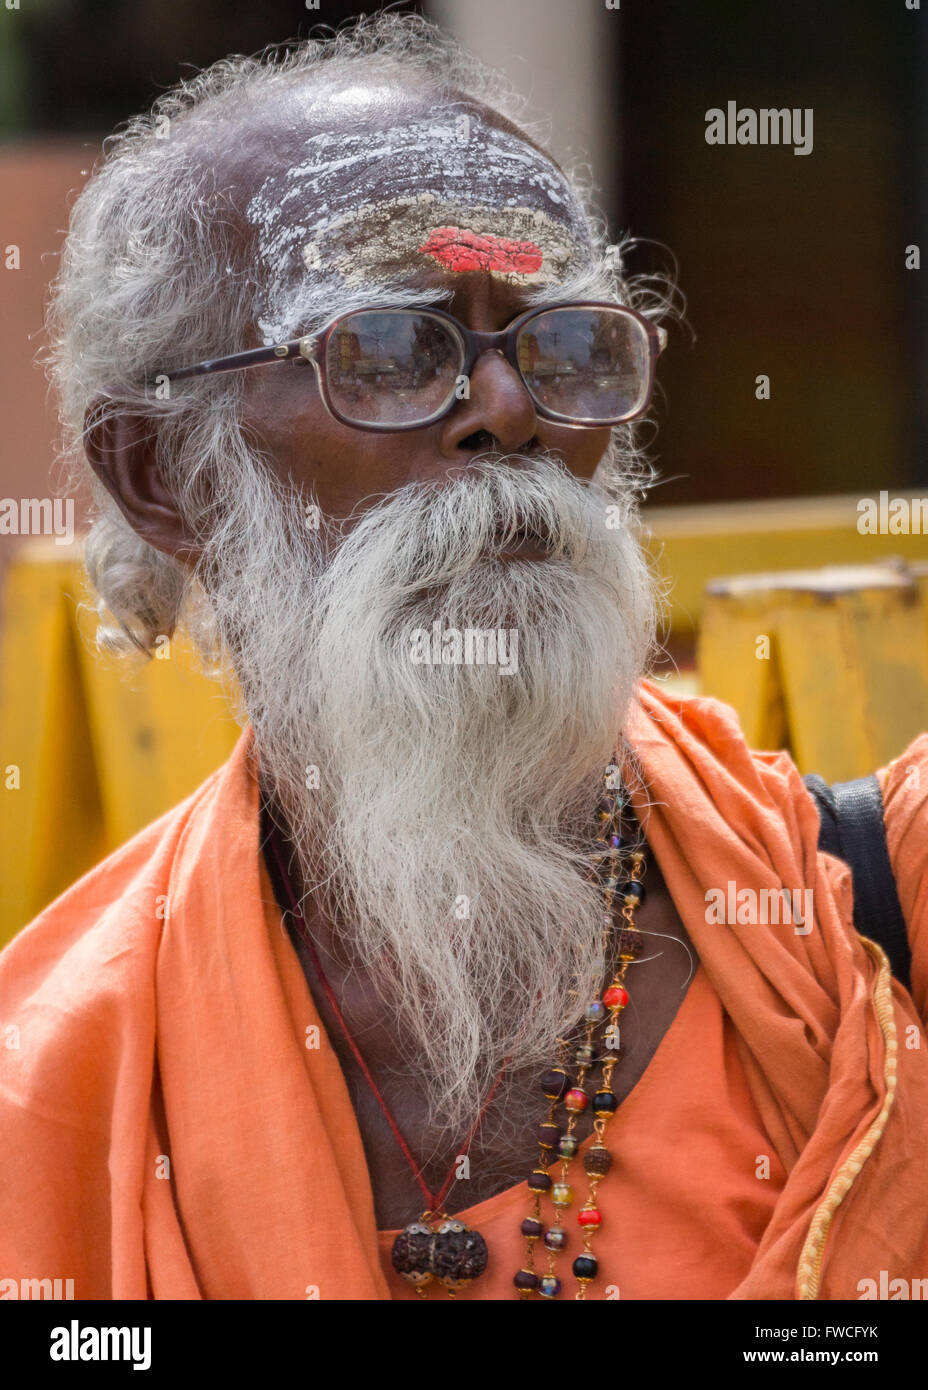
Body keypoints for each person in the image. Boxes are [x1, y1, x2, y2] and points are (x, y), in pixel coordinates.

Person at [1, 12, 927, 1302]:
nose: (506, 410)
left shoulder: (876, 918)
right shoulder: (50, 1075)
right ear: (162, 477)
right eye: (385, 348)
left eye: (562, 343)